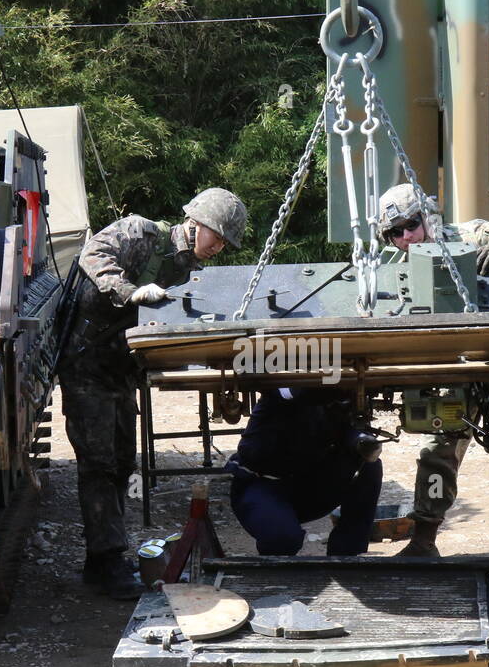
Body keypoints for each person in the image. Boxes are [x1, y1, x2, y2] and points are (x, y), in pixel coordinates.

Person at [58, 188, 247, 599]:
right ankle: (107, 562)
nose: (217, 247)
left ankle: (102, 560)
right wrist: (129, 291)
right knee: (99, 464)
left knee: (124, 460)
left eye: (224, 244)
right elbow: (93, 256)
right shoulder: (141, 233)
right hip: (86, 364)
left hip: (122, 370)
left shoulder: (187, 268)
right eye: (216, 237)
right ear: (196, 223)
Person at [373, 183, 489, 561]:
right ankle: (424, 540)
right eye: (395, 232)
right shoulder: (393, 272)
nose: (406, 237)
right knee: (436, 453)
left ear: (428, 217)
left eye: (411, 225)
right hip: (451, 370)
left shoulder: (478, 234)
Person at [226, 388, 383, 556]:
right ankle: (275, 566)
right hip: (262, 485)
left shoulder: (340, 393)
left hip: (309, 488)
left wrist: (360, 441)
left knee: (367, 465)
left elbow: (348, 429)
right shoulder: (283, 384)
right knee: (282, 539)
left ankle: (347, 557)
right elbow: (290, 391)